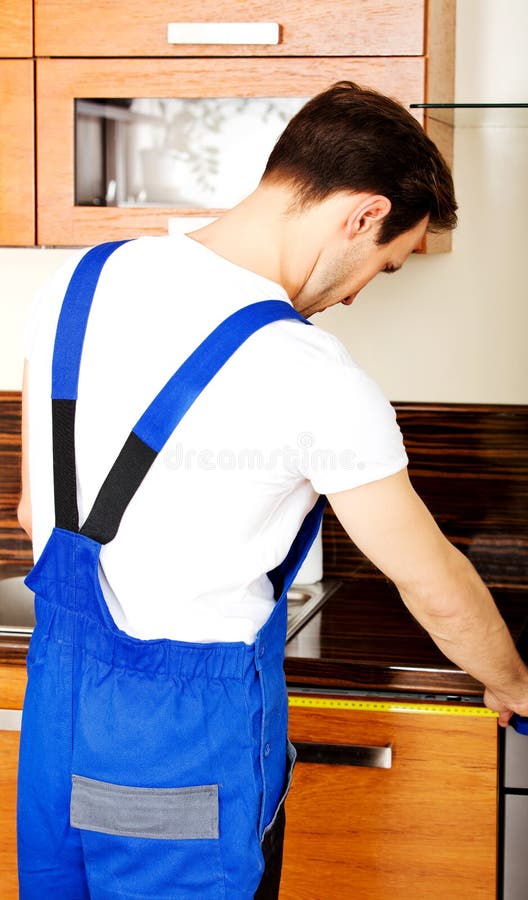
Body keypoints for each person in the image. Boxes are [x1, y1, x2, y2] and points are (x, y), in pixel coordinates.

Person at [16, 81, 528, 899]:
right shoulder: (306, 369)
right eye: (386, 264)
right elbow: (432, 587)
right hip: (182, 760)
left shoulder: (77, 286)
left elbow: (31, 512)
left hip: (54, 733)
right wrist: (514, 684)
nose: (361, 292)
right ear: (362, 214)